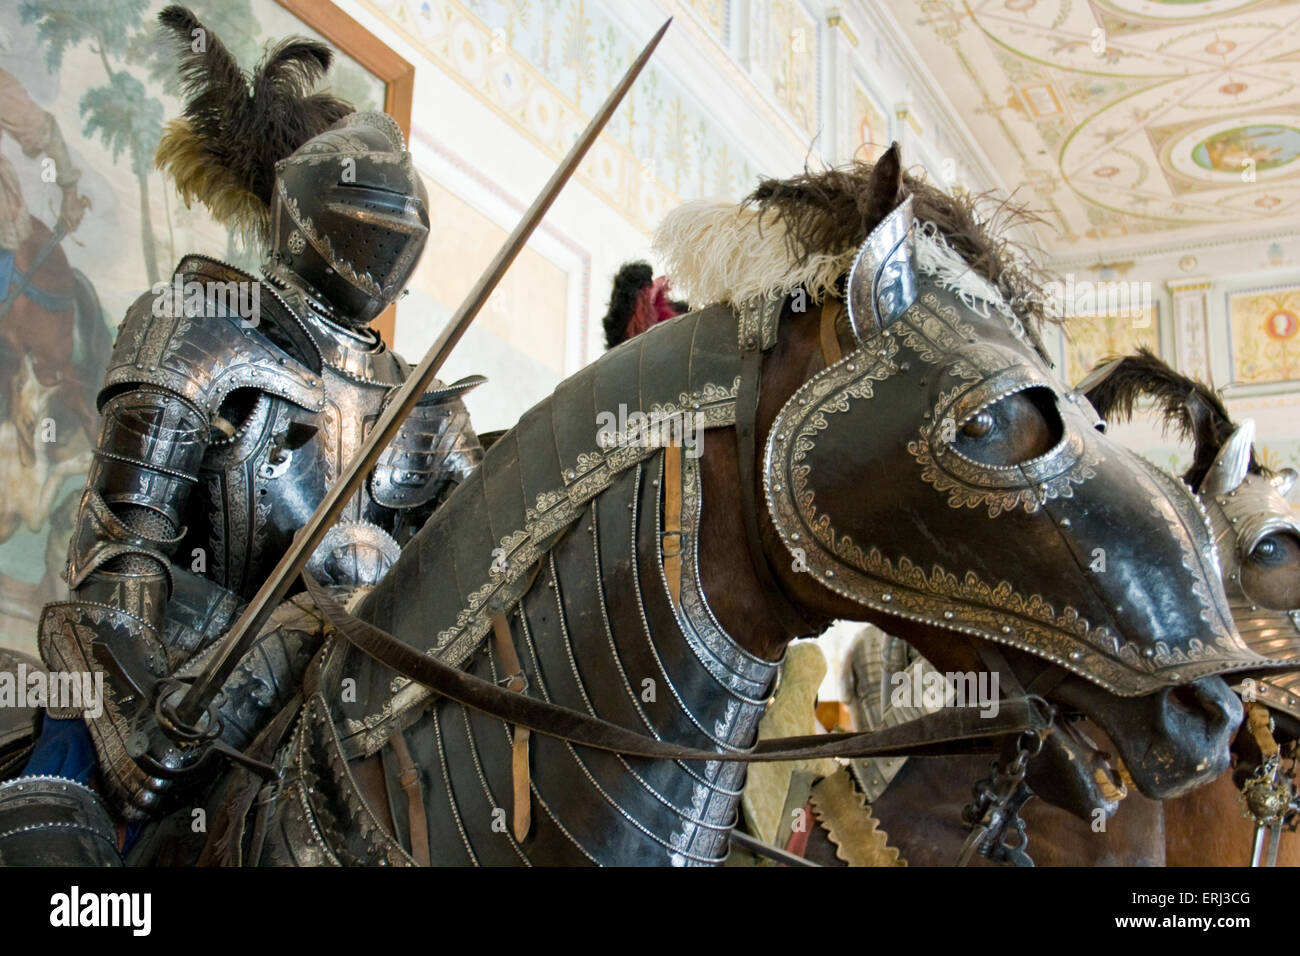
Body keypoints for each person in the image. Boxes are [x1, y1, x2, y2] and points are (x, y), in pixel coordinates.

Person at [0, 6, 483, 865]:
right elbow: (120, 552)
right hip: (184, 673)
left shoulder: (428, 407)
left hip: (348, 700)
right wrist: (145, 711)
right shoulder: (202, 325)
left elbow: (469, 594)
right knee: (56, 831)